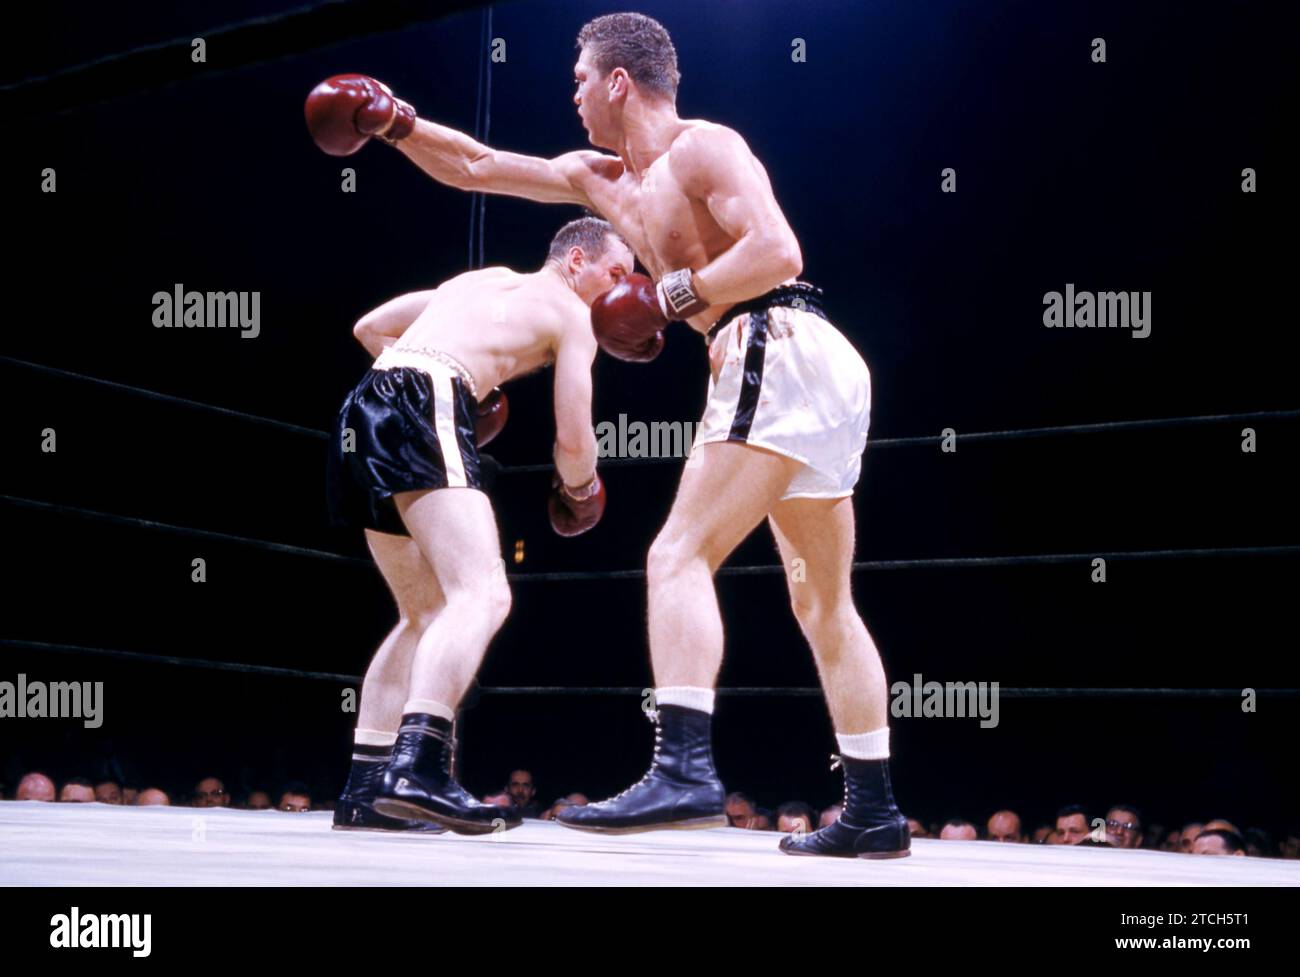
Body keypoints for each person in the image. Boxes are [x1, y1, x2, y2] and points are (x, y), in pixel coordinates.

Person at [305, 10, 905, 859]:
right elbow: (478, 166)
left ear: (619, 81)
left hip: (776, 338)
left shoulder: (705, 147)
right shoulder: (601, 181)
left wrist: (665, 299)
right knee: (822, 600)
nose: (574, 93)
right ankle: (875, 807)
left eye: (581, 77)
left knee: (676, 554)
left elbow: (776, 249)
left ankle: (686, 765)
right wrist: (396, 122)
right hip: (804, 370)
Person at [321, 216, 631, 834]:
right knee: (485, 594)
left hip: (363, 408)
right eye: (616, 272)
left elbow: (371, 328)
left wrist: (450, 380)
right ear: (576, 260)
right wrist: (581, 489)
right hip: (427, 398)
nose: (621, 288)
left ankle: (366, 790)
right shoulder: (572, 317)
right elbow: (573, 440)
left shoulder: (481, 279)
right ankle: (419, 767)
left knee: (424, 613)